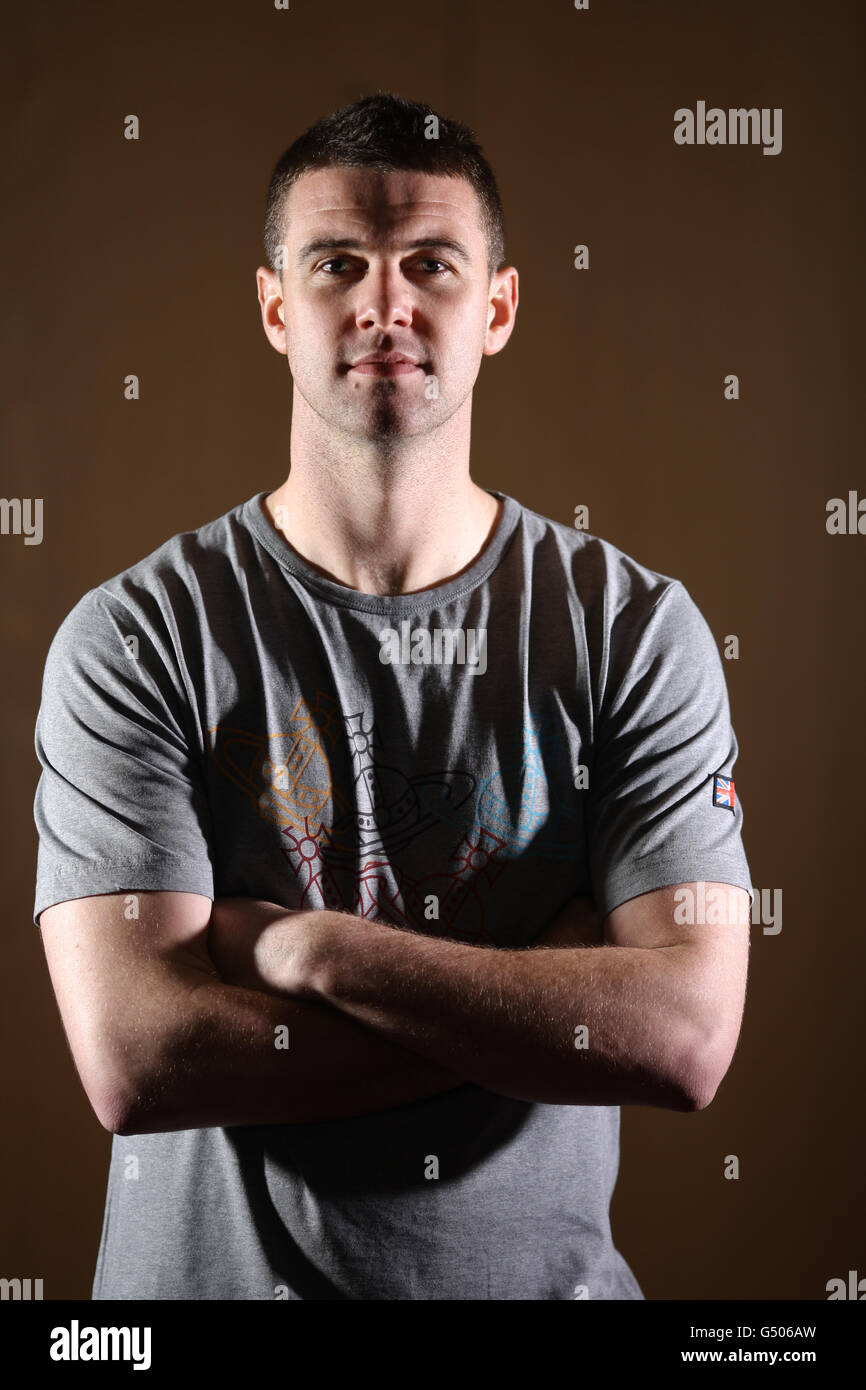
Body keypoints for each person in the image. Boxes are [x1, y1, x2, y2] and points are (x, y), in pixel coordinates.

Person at [32, 92, 753, 1301]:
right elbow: (136, 1062)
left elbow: (682, 1037)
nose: (384, 305)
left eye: (430, 262)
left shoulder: (628, 629)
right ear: (274, 307)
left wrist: (312, 949)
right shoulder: (137, 635)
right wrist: (542, 991)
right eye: (335, 265)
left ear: (498, 307)